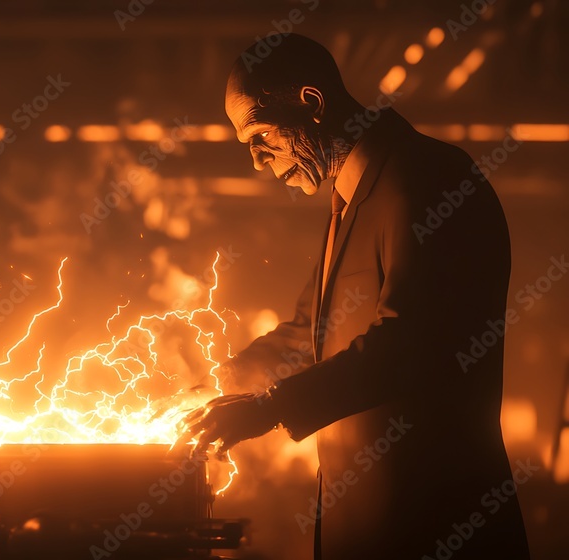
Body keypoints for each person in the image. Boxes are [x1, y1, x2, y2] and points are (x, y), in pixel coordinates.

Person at [181, 34, 530, 559]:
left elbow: (408, 344)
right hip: (369, 529)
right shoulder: (353, 198)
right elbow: (309, 332)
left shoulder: (431, 180)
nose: (257, 162)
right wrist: (208, 388)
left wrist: (269, 408)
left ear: (312, 103)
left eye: (260, 135)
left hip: (433, 523)